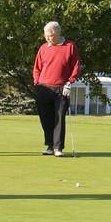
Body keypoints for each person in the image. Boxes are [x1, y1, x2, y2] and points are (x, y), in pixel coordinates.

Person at [33, 21, 80, 157]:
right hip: (43, 87)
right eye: (46, 36)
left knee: (59, 117)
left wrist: (70, 82)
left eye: (51, 35)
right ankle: (50, 145)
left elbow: (75, 66)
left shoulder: (70, 46)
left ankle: (58, 148)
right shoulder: (43, 48)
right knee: (45, 118)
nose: (48, 38)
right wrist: (37, 82)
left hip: (61, 88)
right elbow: (37, 68)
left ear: (58, 33)